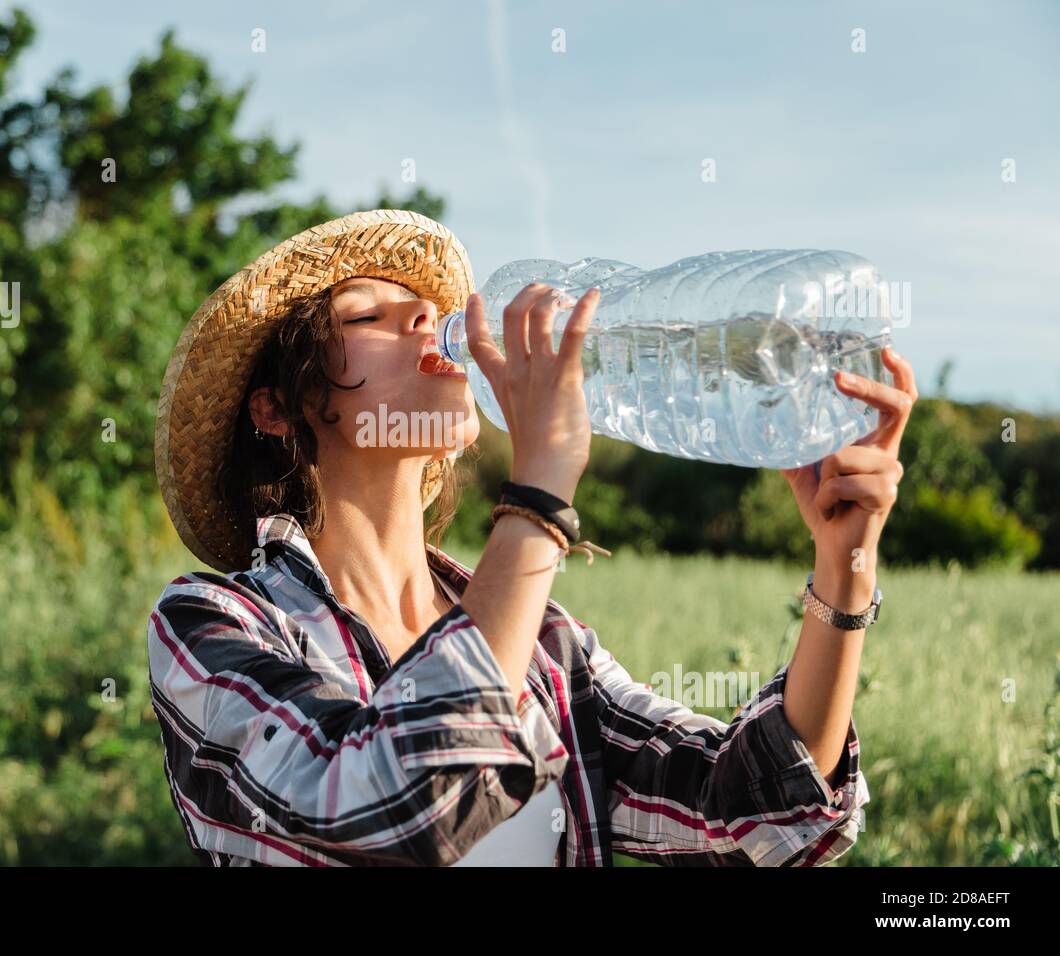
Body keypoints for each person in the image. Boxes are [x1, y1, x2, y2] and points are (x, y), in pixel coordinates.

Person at [147, 208, 916, 866]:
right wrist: (541, 493)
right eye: (367, 316)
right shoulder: (215, 625)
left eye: (421, 304)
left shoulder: (548, 649)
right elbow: (386, 816)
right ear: (275, 409)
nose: (422, 317)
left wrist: (843, 567)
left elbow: (753, 816)